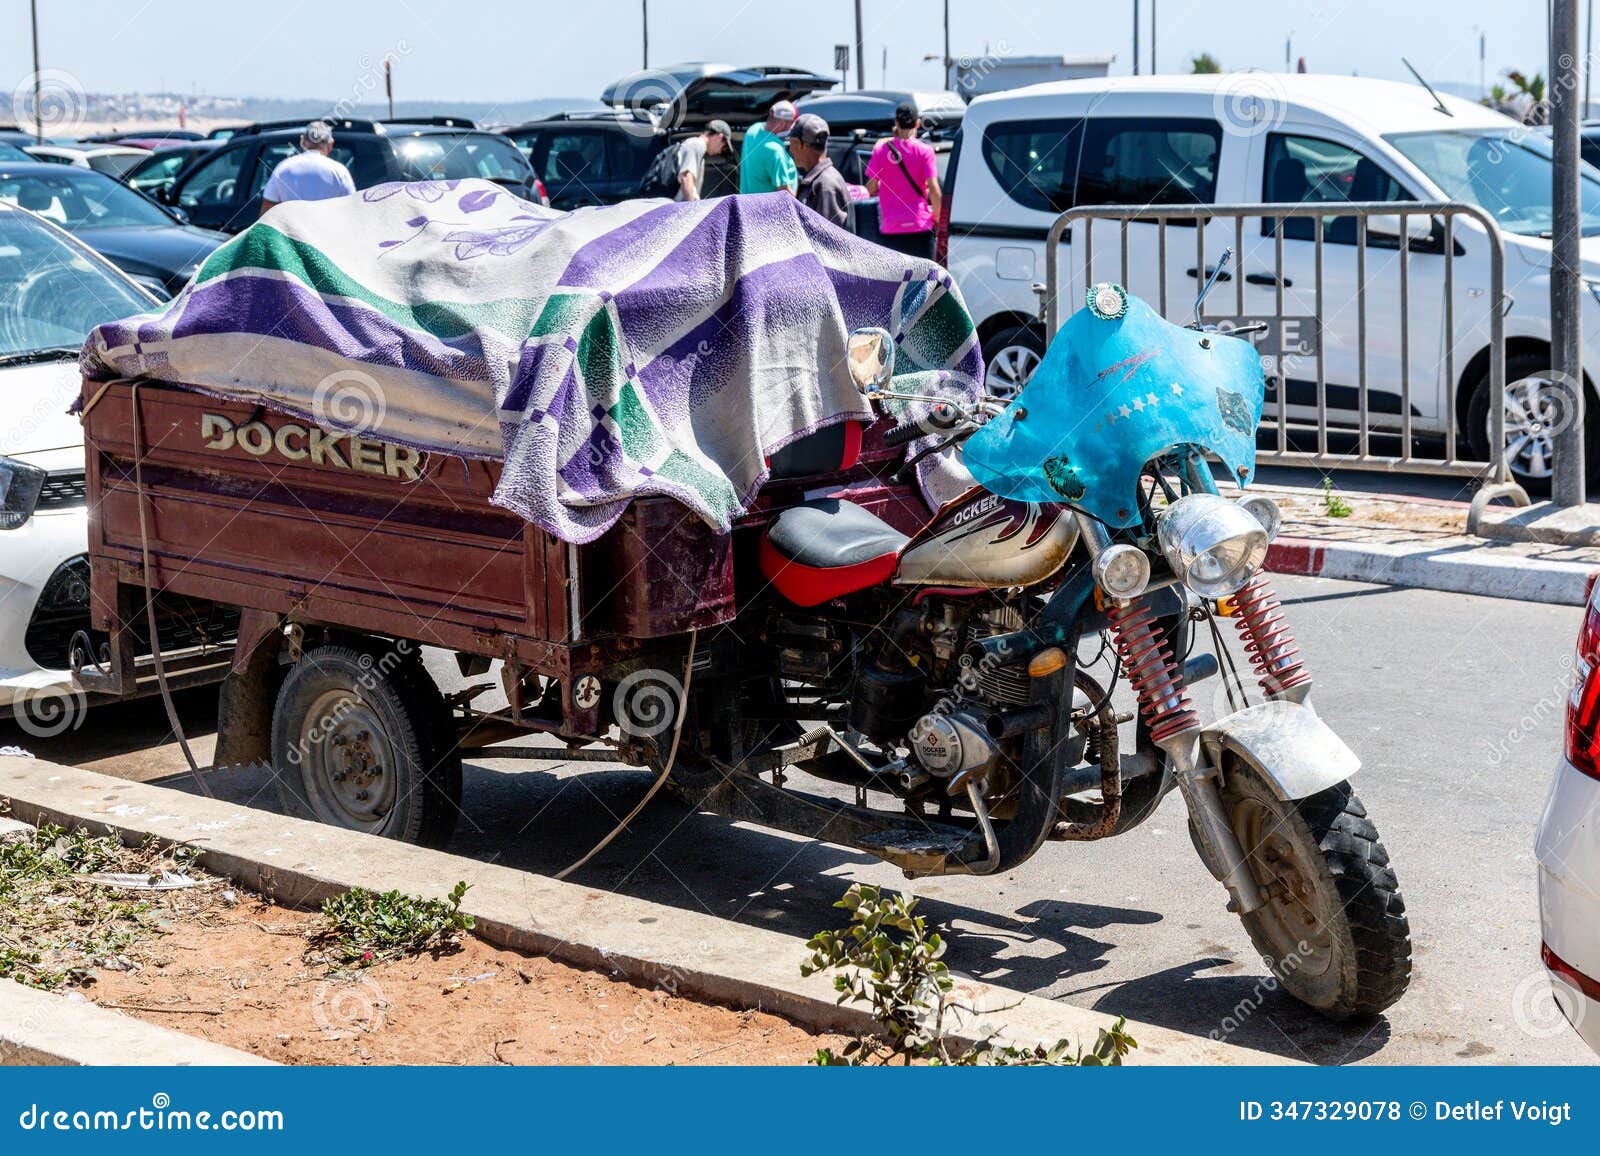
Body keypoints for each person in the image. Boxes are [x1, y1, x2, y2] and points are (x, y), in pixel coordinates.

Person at [865, 102, 942, 259]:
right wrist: (938, 218)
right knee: (924, 280)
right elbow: (934, 189)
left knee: (896, 281)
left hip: (891, 228)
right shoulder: (925, 151)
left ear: (896, 122)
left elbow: (870, 187)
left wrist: (885, 183)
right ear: (918, 123)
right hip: (919, 226)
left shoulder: (881, 150)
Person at [260, 121, 356, 212]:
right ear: (330, 143)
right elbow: (351, 210)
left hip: (290, 229)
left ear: (302, 141)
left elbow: (267, 210)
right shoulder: (340, 171)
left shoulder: (283, 168)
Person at [788, 113, 849, 226]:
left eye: (791, 144)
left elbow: (828, 239)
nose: (790, 151)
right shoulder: (818, 180)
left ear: (800, 144)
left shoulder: (826, 185)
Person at [738, 100, 798, 196]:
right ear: (782, 124)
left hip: (746, 204)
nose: (791, 128)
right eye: (791, 124)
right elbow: (785, 193)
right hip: (768, 209)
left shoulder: (752, 130)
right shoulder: (775, 151)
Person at [676, 119, 733, 201]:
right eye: (724, 146)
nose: (721, 151)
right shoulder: (696, 145)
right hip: (679, 209)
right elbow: (686, 177)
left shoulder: (699, 149)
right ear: (719, 137)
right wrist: (691, 210)